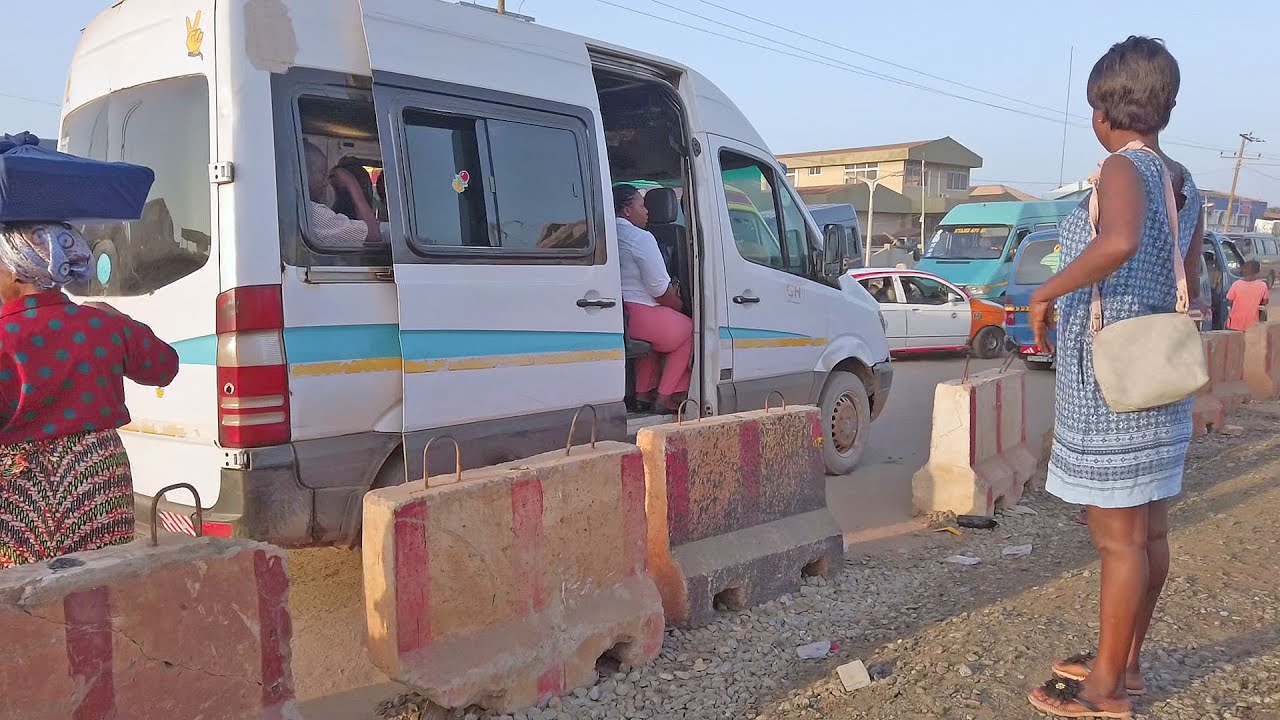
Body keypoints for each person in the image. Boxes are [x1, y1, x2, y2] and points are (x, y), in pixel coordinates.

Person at [1026, 37, 1202, 718]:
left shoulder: (1121, 169)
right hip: (1158, 371)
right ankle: (1121, 665)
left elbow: (1120, 241)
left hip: (1111, 385)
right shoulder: (1180, 178)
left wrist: (1044, 294)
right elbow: (1186, 274)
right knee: (1148, 535)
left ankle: (1103, 694)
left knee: (1119, 542)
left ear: (1105, 110)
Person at [0, 224, 178, 568]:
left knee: (25, 598)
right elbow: (163, 366)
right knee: (101, 584)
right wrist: (122, 319)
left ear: (16, 273)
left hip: (18, 484)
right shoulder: (101, 324)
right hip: (97, 474)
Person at [615, 184, 692, 413]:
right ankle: (665, 396)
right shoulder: (640, 238)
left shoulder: (607, 232)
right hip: (641, 312)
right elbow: (659, 288)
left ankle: (642, 394)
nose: (647, 211)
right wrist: (680, 307)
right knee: (690, 330)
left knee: (654, 341)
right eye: (641, 205)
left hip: (621, 313)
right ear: (627, 210)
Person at [303, 141, 382, 249]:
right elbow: (373, 234)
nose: (326, 183)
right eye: (322, 174)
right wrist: (351, 182)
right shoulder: (313, 214)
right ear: (304, 174)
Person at [1226, 260, 1269, 331]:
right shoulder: (1262, 285)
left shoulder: (1236, 284)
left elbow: (1230, 301)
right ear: (1257, 271)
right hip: (1254, 324)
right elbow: (1265, 302)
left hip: (1235, 323)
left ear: (1244, 271)